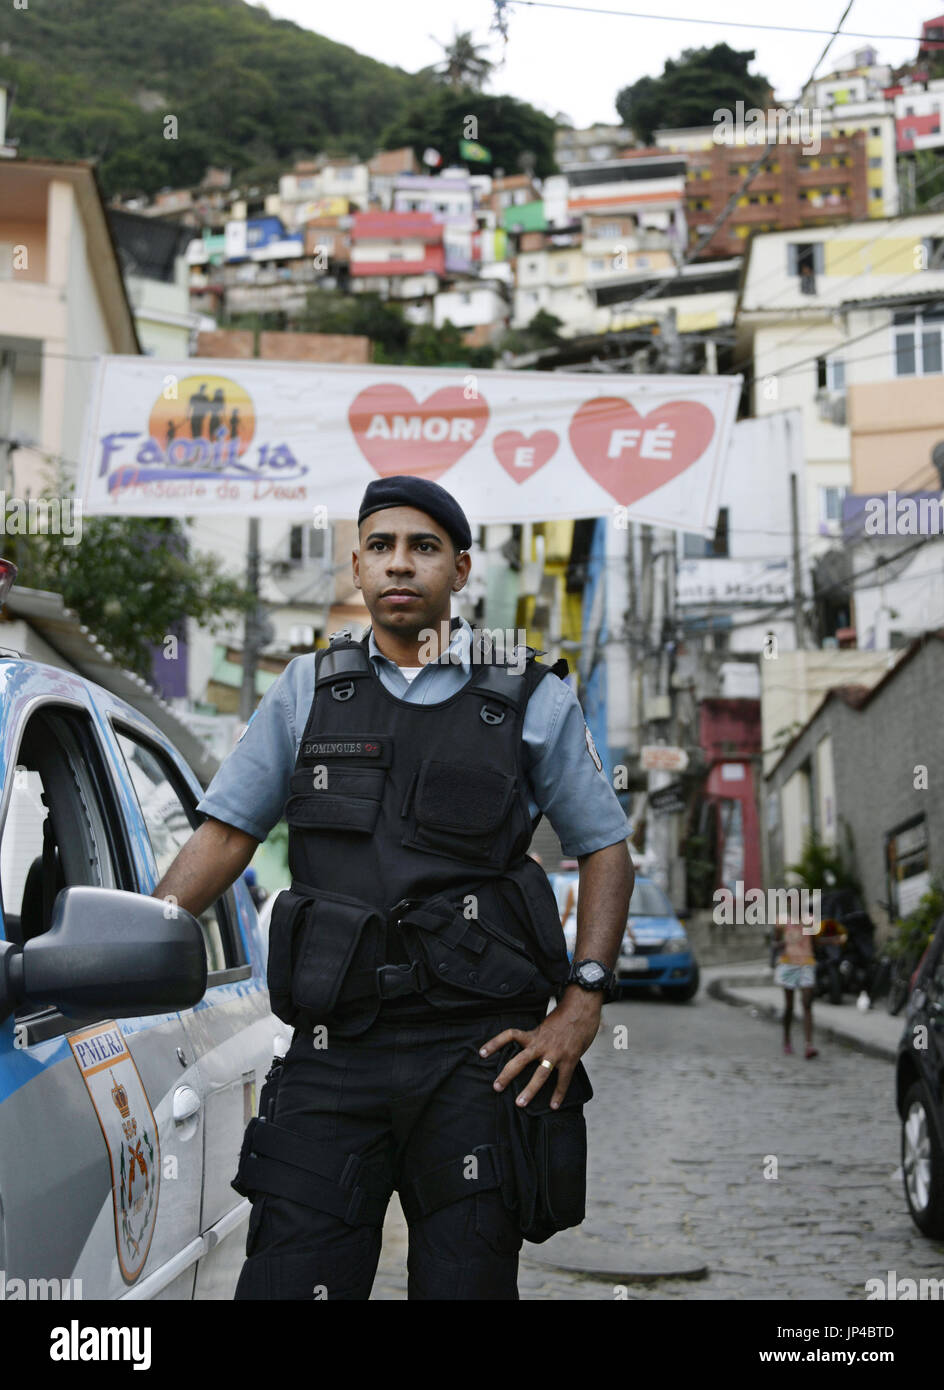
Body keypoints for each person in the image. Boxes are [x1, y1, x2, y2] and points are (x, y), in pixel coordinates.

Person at [152, 474, 632, 1300]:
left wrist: (582, 1001)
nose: (399, 565)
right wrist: (145, 933)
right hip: (335, 1050)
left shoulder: (527, 692)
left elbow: (605, 847)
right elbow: (228, 834)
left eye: (423, 548)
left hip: (478, 1056)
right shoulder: (308, 689)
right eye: (381, 547)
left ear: (461, 569)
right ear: (357, 567)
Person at [772, 908, 819, 1059]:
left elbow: (816, 942)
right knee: (789, 1007)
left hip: (806, 963)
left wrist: (834, 940)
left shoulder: (811, 920)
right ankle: (786, 1039)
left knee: (807, 1003)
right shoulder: (782, 921)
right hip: (788, 965)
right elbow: (776, 942)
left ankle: (808, 1045)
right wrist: (783, 943)